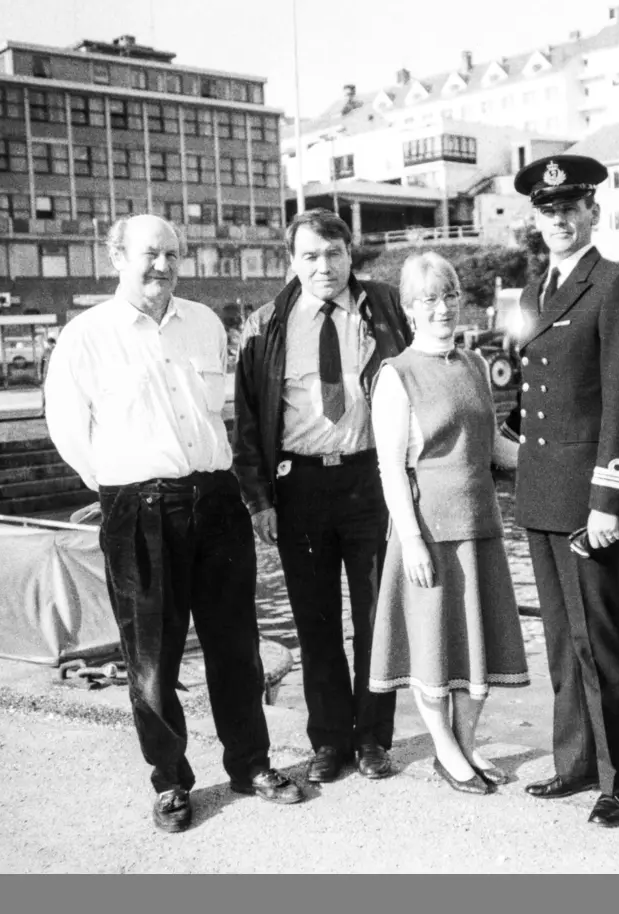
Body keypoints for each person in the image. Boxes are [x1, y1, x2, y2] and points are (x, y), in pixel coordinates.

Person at [44, 214, 301, 834]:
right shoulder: (87, 337)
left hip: (215, 499)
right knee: (152, 658)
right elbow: (69, 432)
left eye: (174, 255)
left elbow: (221, 418)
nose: (164, 266)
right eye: (151, 254)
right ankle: (170, 782)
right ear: (116, 256)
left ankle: (250, 764)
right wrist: (124, 487)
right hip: (139, 505)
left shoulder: (205, 324)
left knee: (235, 646)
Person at [233, 208, 411, 784]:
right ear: (292, 260)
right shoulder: (266, 324)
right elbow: (248, 421)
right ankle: (329, 739)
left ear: (350, 253)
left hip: (370, 481)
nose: (324, 267)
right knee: (315, 623)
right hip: (301, 486)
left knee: (374, 617)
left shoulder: (385, 307)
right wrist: (259, 500)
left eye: (333, 254)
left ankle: (373, 739)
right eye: (309, 256)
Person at [507, 154, 619, 827]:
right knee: (562, 641)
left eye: (570, 207)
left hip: (588, 498)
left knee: (599, 638)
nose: (559, 220)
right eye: (547, 210)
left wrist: (611, 499)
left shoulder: (616, 284)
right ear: (535, 220)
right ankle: (575, 762)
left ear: (593, 211)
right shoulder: (535, 292)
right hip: (539, 491)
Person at [367, 253, 530, 795]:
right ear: (410, 308)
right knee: (436, 649)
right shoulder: (396, 375)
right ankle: (445, 749)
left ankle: (464, 746)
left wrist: (553, 462)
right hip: (430, 533)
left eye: (449, 295)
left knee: (478, 649)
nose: (441, 308)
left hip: (480, 524)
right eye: (428, 299)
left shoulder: (476, 366)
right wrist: (410, 540)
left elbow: (494, 449)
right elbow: (391, 466)